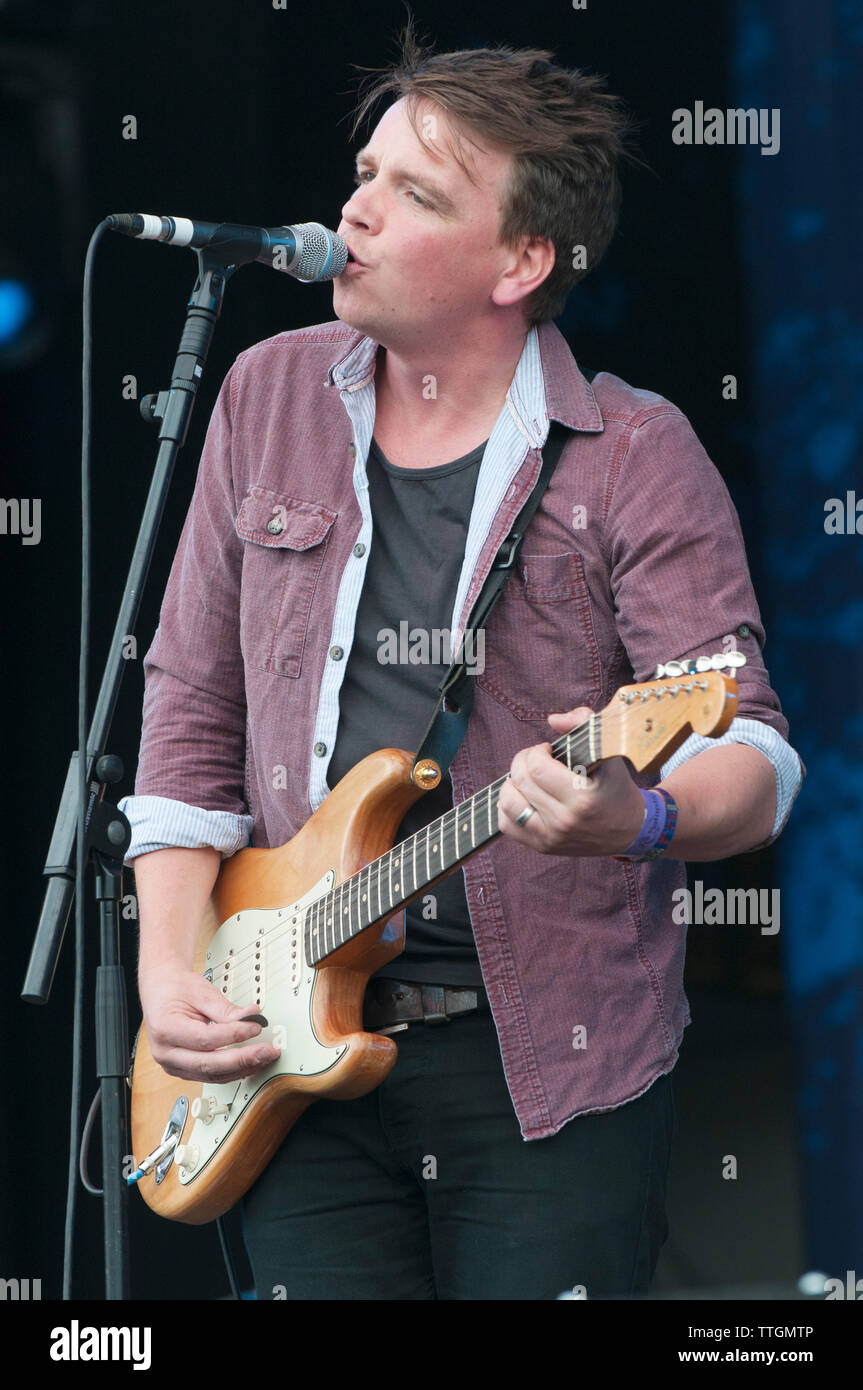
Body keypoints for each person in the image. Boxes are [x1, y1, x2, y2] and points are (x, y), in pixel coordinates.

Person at [120, 32, 804, 1300]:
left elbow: (749, 754)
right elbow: (188, 708)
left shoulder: (633, 453)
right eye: (364, 173)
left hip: (544, 1059)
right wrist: (168, 966)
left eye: (414, 194)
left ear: (521, 261)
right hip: (279, 1036)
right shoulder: (264, 396)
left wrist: (636, 814)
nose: (355, 211)